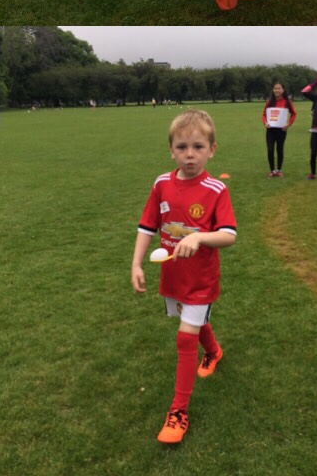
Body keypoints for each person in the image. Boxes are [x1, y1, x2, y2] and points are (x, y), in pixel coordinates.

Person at [131, 109, 237, 446]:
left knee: (185, 336)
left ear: (212, 149)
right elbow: (147, 226)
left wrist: (200, 237)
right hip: (173, 276)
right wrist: (136, 264)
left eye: (197, 147)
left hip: (201, 278)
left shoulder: (216, 188)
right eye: (182, 147)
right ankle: (215, 352)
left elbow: (229, 234)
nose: (189, 155)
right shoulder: (161, 184)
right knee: (192, 320)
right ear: (171, 150)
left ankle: (178, 412)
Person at [262, 83, 296, 176]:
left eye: (279, 88)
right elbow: (264, 114)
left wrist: (288, 124)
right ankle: (272, 170)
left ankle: (279, 170)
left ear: (283, 90)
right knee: (270, 149)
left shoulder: (287, 102)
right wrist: (265, 123)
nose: (277, 90)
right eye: (275, 89)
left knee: (279, 149)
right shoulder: (269, 102)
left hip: (281, 130)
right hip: (270, 130)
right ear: (273, 90)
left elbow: (294, 114)